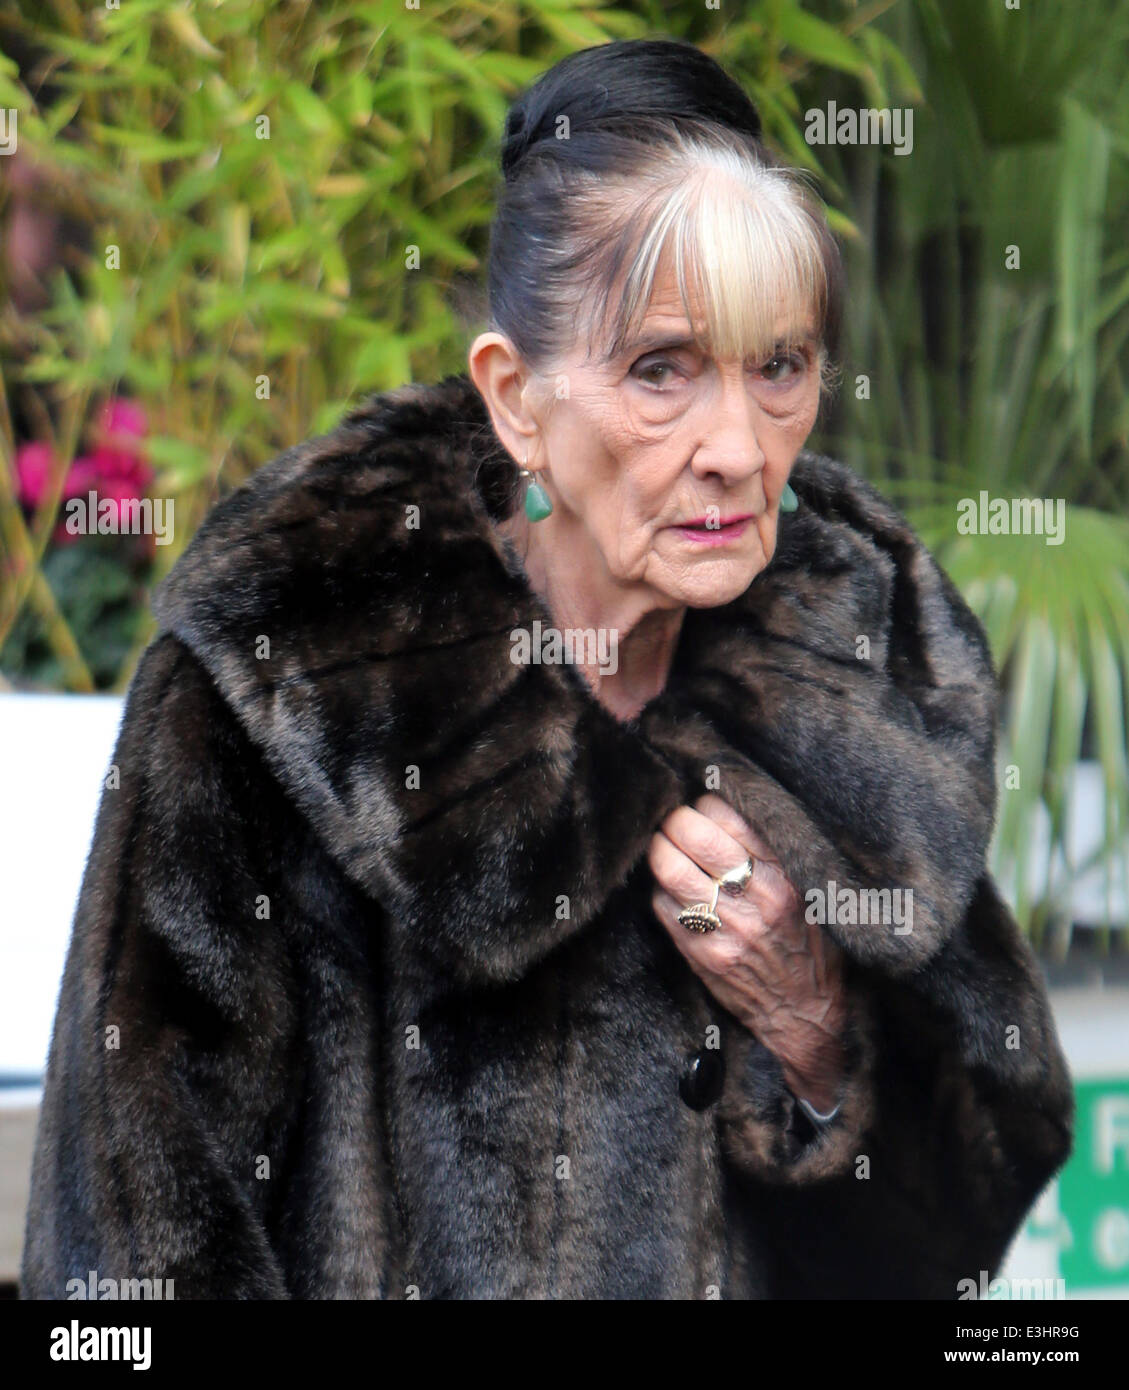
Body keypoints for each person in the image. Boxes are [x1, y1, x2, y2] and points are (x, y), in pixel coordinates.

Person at [21, 37, 1072, 1300]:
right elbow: (132, 1252)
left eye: (778, 366)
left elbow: (969, 1214)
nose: (736, 447)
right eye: (661, 370)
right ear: (515, 398)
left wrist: (812, 1028)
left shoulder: (859, 683)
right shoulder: (284, 677)